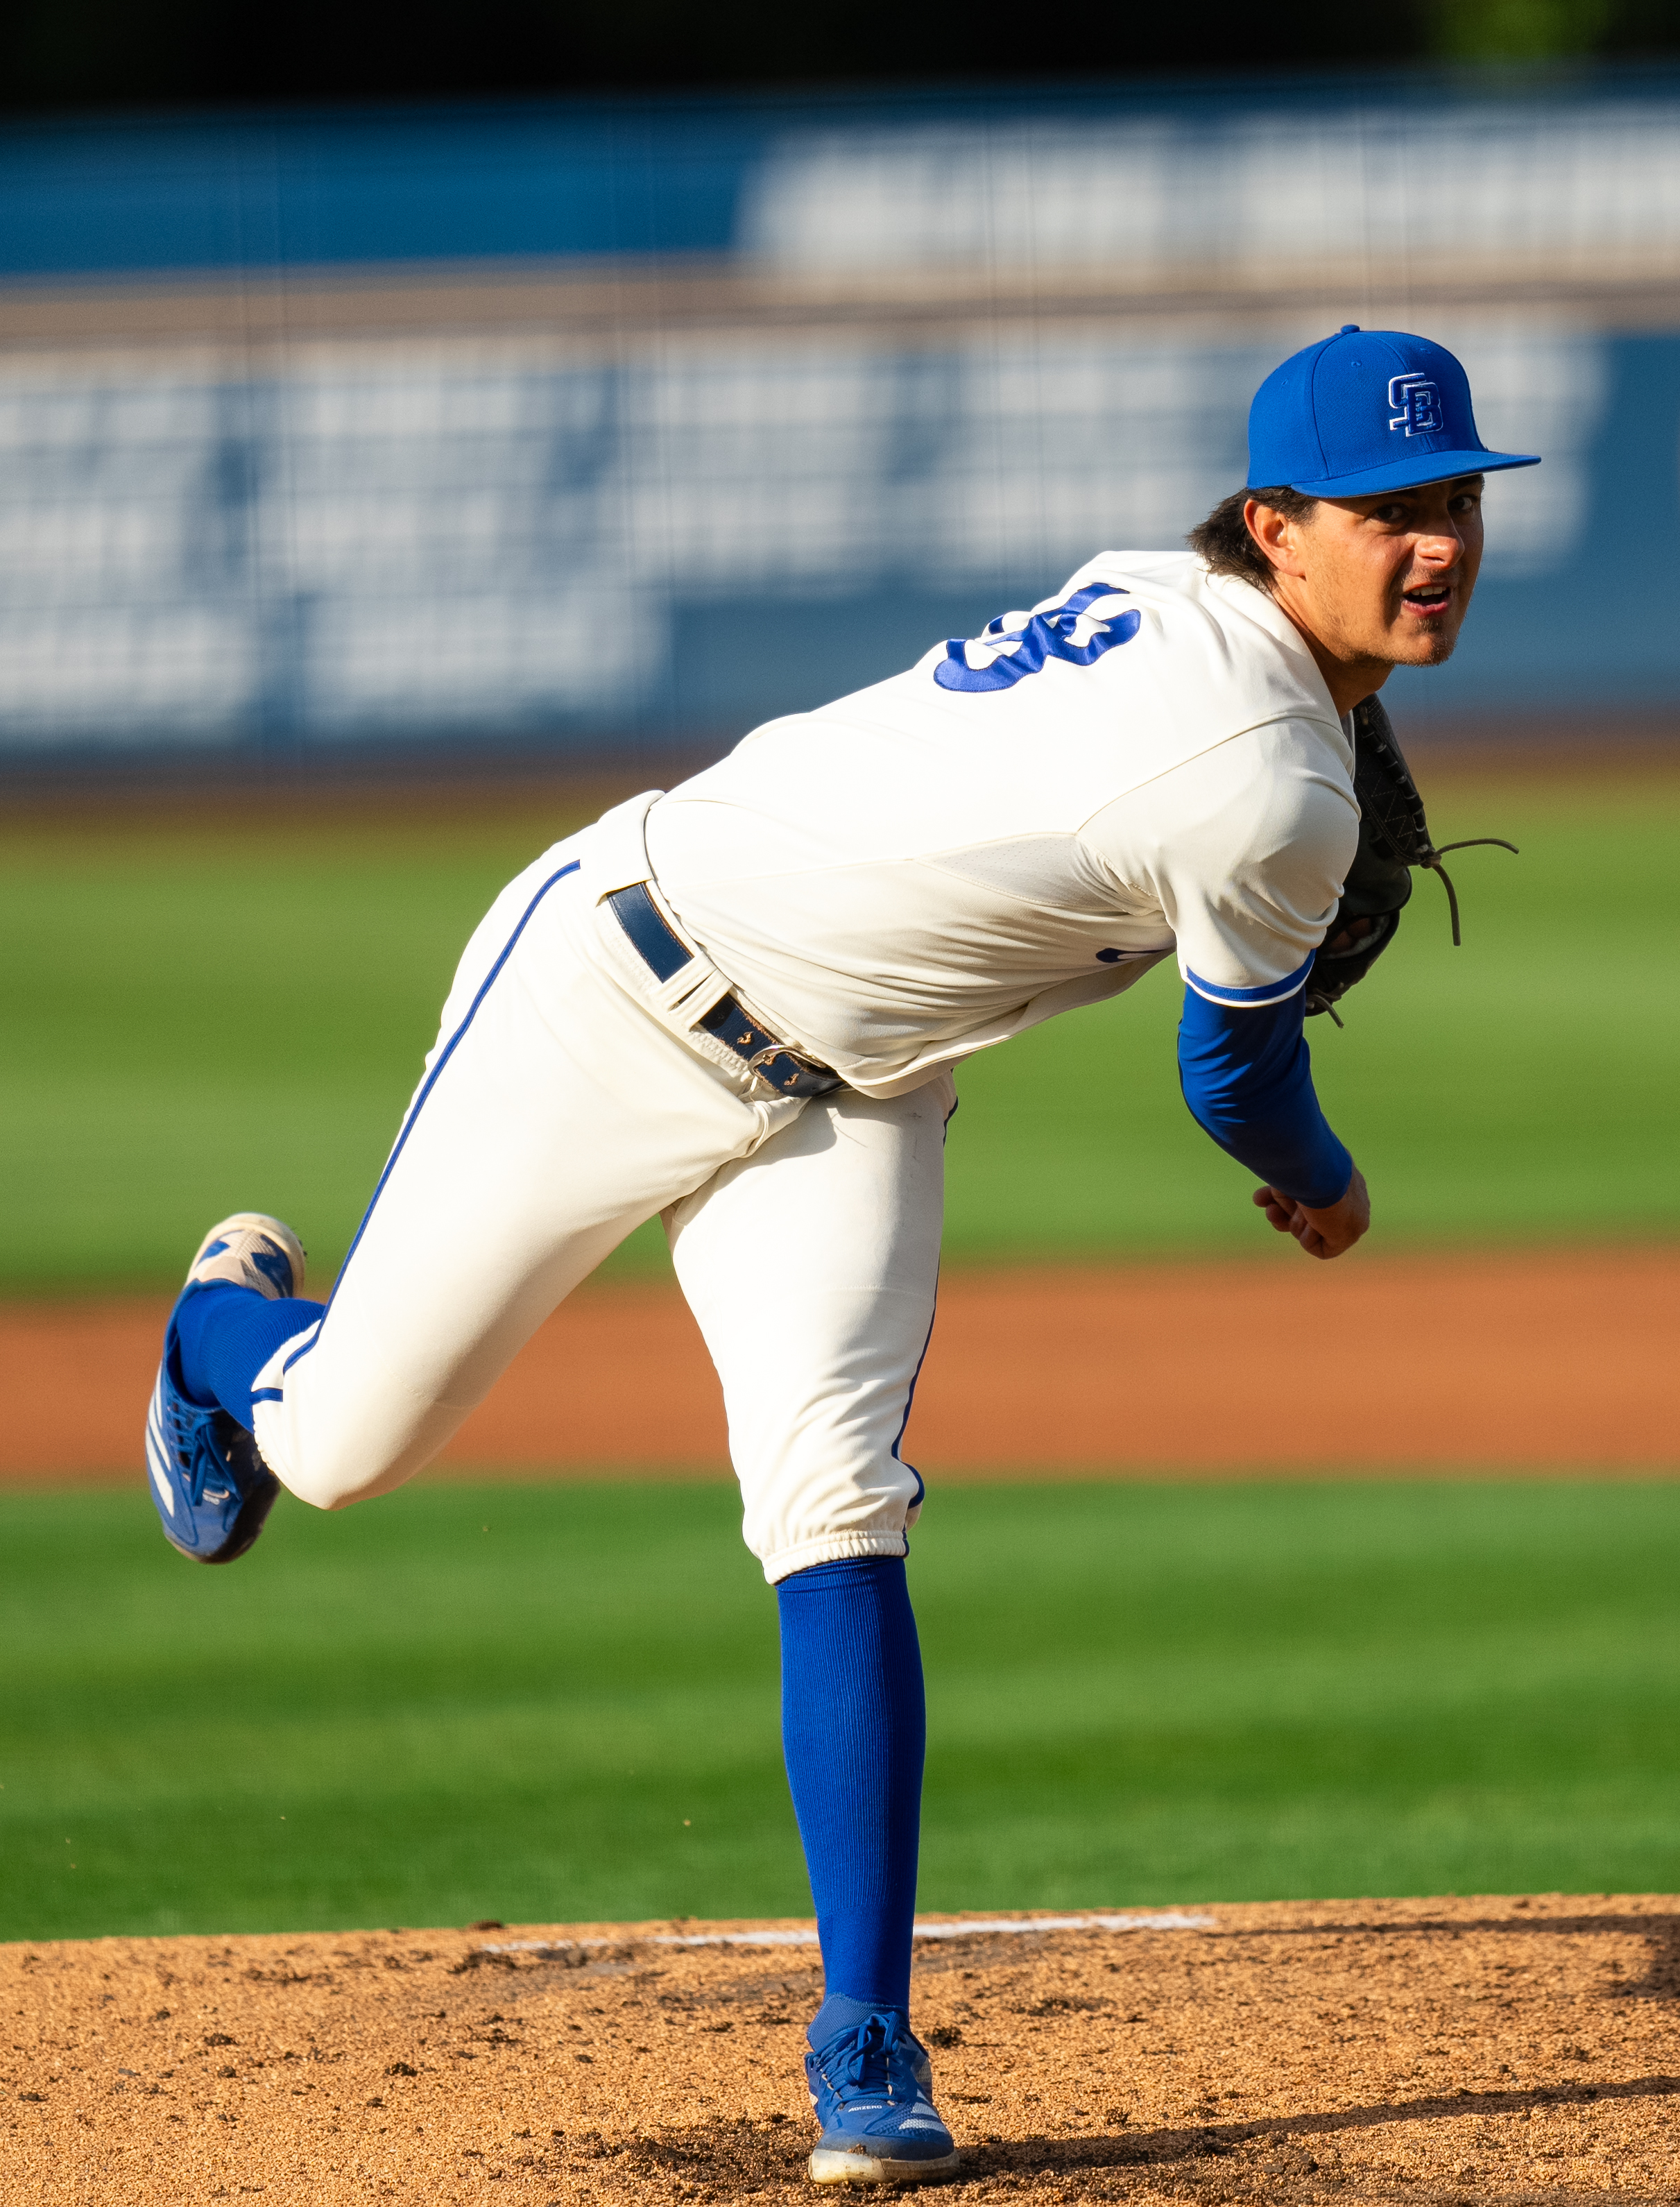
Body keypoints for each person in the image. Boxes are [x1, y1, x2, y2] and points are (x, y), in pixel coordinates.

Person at [141, 324, 1534, 2187]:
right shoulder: (1269, 792)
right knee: (334, 1450)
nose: (1433, 542)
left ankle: (863, 2045)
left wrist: (1329, 745)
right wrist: (1330, 1183)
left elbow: (1221, 751)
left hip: (852, 1090)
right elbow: (1234, 1078)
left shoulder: (1177, 598)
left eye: (1451, 502)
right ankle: (222, 1325)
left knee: (837, 1505)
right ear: (1274, 528)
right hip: (610, 986)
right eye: (1386, 512)